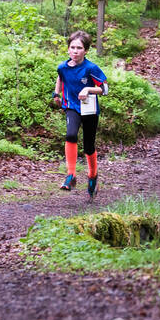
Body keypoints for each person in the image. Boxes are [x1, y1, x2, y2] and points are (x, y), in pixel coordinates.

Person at [54, 30, 108, 198]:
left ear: (86, 51)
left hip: (89, 109)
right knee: (70, 135)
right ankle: (71, 175)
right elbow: (60, 78)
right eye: (72, 47)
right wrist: (56, 95)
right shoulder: (62, 67)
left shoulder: (91, 68)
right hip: (71, 106)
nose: (75, 51)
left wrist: (88, 89)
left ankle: (93, 175)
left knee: (89, 145)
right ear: (68, 49)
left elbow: (105, 89)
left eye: (79, 48)